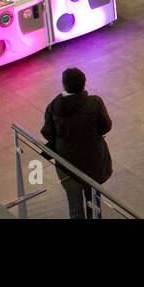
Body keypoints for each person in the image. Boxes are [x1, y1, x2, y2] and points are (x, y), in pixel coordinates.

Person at [40, 67, 112, 220]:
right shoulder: (94, 103)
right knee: (93, 198)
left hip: (67, 163)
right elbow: (106, 126)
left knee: (74, 204)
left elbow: (47, 132)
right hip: (93, 159)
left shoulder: (54, 106)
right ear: (84, 84)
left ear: (64, 85)